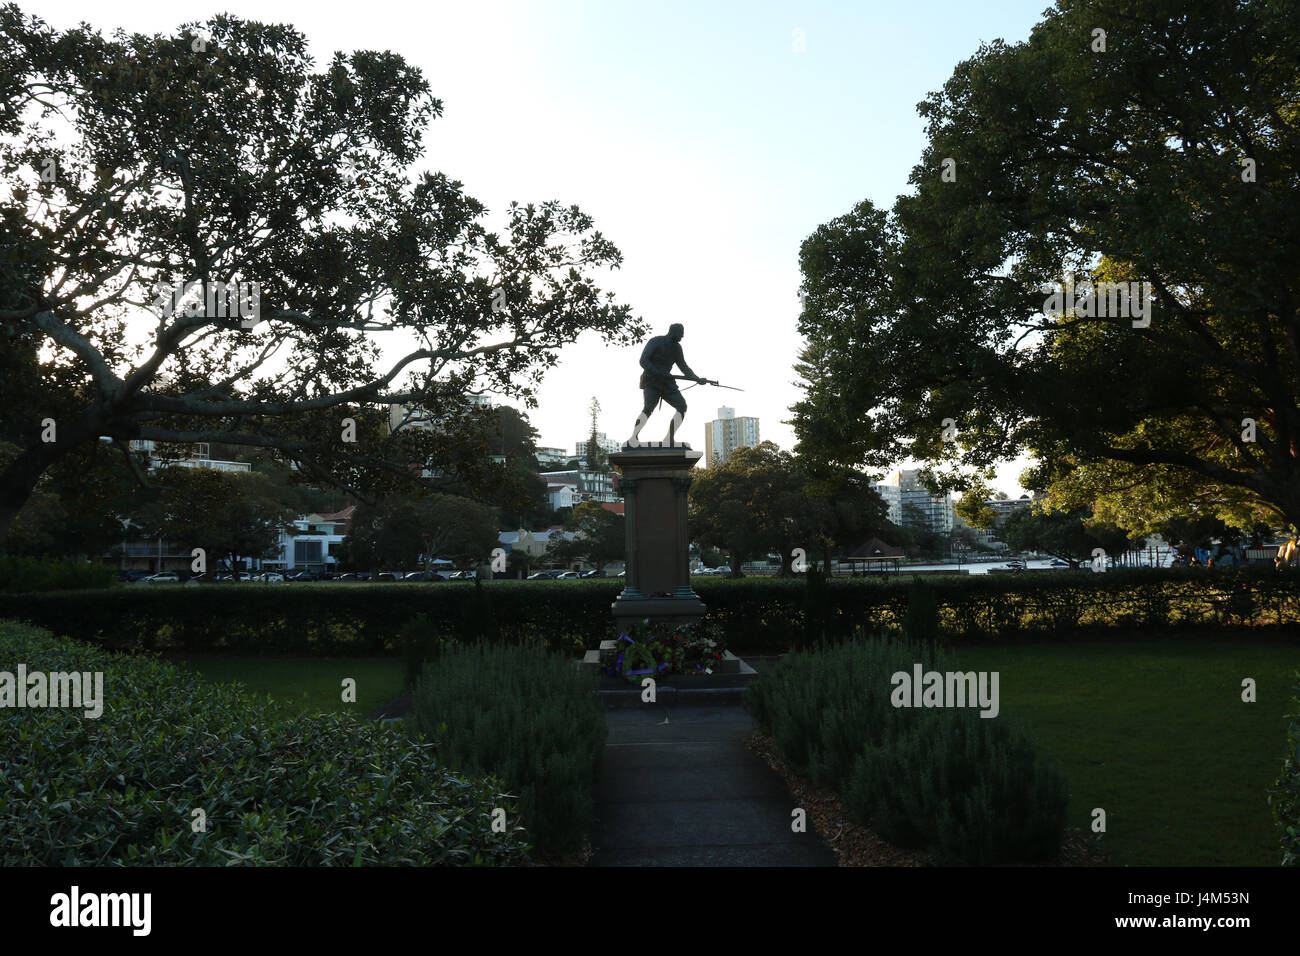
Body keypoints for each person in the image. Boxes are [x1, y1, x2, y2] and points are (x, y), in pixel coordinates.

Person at [629, 323, 704, 445]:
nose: (682, 336)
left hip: (667, 382)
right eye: (681, 333)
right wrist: (657, 372)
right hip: (651, 380)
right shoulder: (656, 341)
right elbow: (643, 360)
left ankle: (669, 439)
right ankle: (633, 438)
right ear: (673, 332)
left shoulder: (677, 348)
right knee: (648, 408)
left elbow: (684, 367)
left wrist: (697, 379)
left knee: (682, 406)